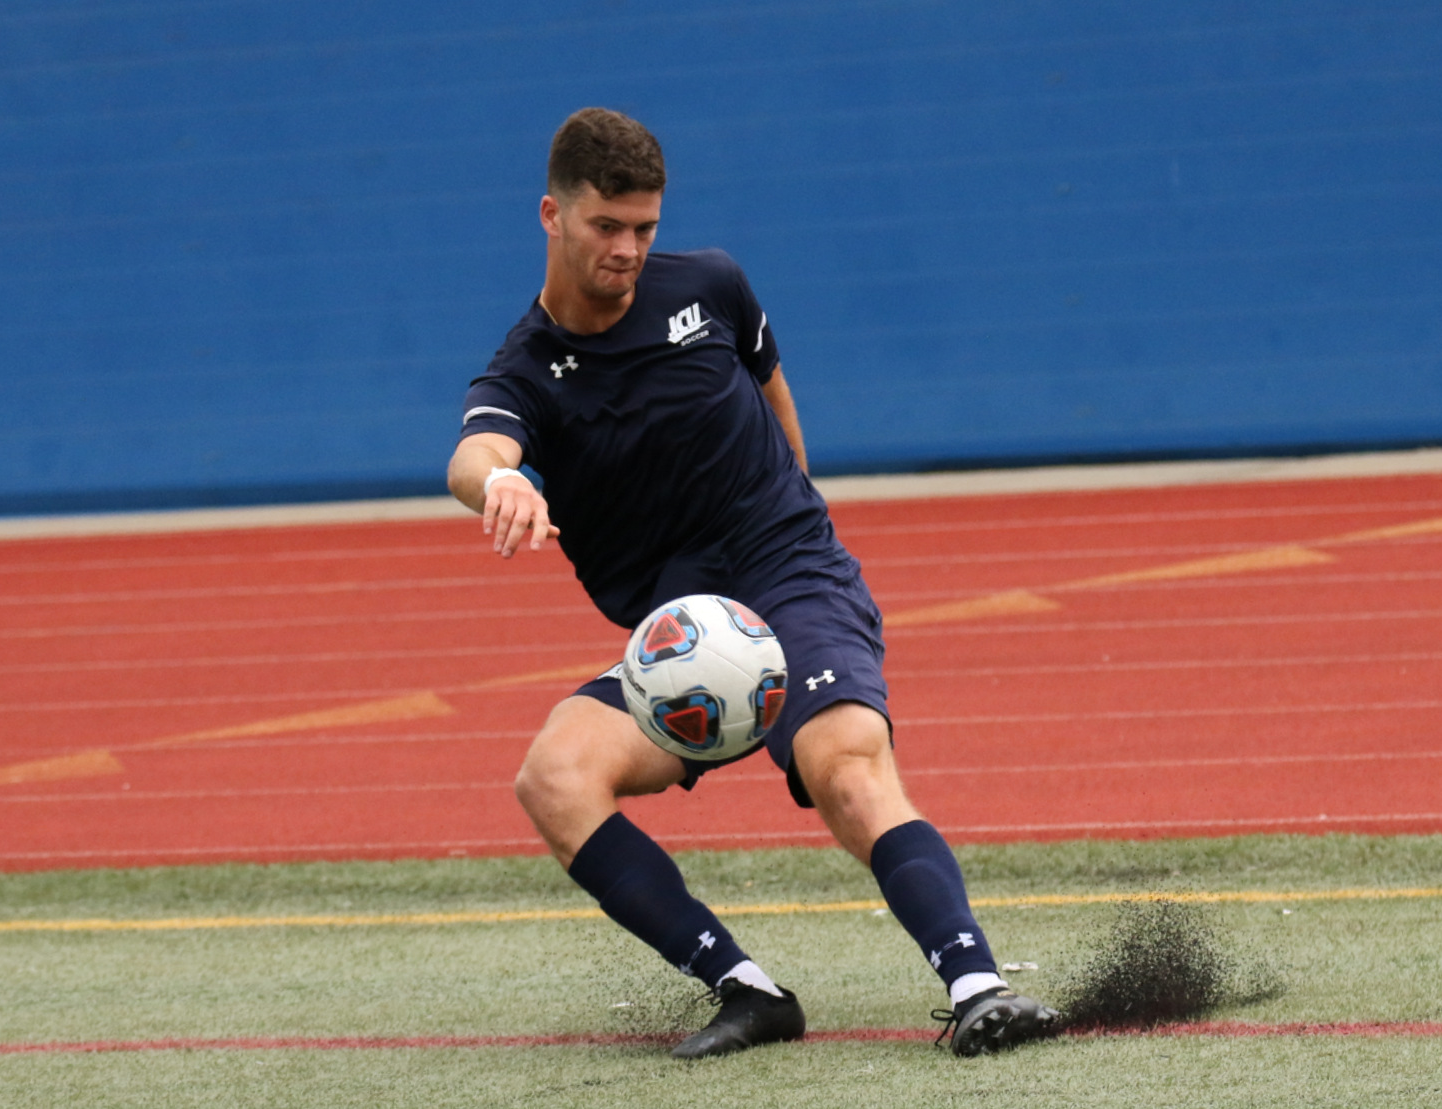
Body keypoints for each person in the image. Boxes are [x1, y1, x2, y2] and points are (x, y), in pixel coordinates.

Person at [446, 107, 1058, 1059]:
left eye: (644, 226)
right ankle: (747, 987)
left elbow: (770, 385)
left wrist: (801, 515)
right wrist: (502, 484)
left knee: (844, 763)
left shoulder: (711, 284)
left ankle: (977, 983)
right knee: (554, 777)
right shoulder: (527, 369)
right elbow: (476, 451)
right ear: (552, 215)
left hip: (789, 572)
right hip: (685, 640)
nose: (628, 249)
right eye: (606, 226)